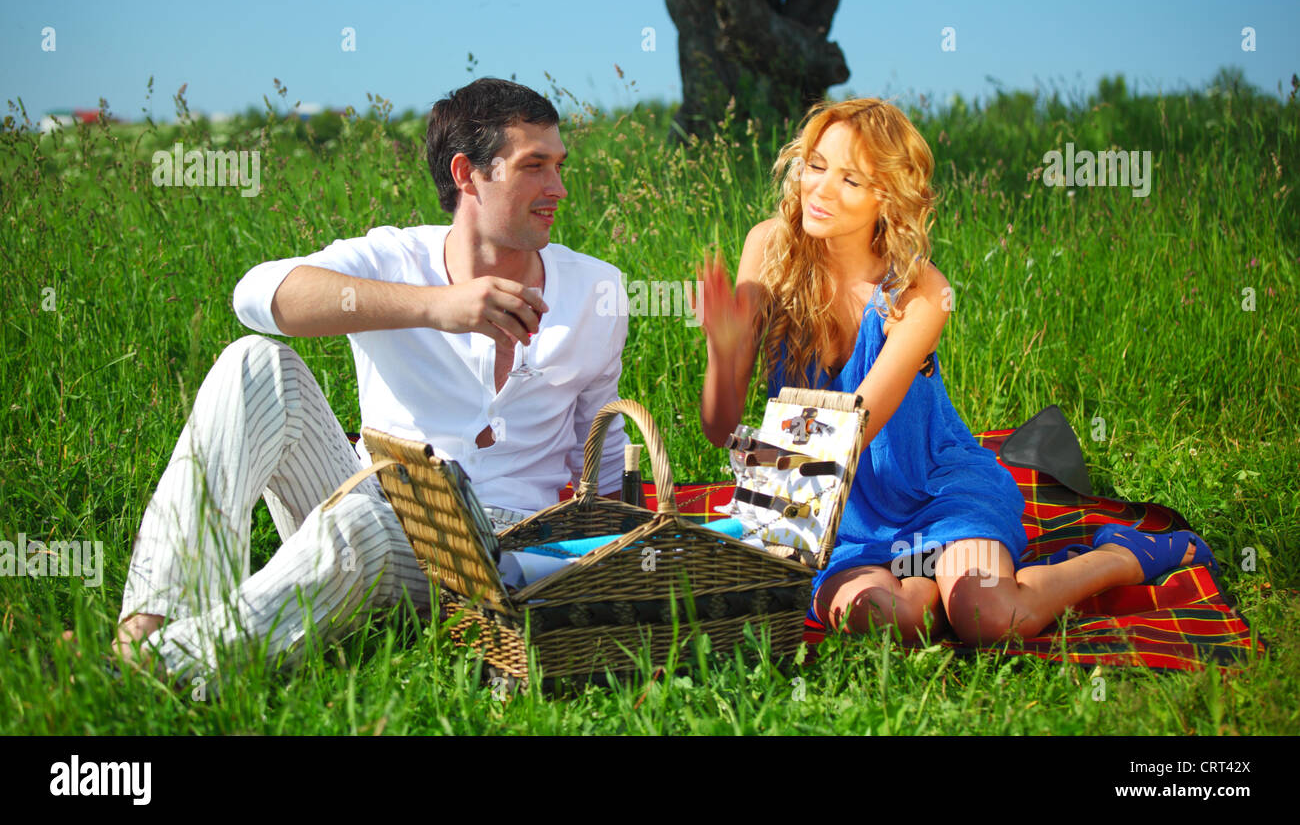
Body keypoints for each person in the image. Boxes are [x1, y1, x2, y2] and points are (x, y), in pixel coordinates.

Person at [112, 77, 628, 680]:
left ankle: (162, 672)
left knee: (365, 526)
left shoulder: (597, 288)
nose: (558, 188)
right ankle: (142, 632)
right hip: (376, 492)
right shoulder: (394, 258)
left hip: (502, 545)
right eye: (534, 166)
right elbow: (255, 296)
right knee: (253, 363)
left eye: (559, 165)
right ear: (467, 174)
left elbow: (604, 453)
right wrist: (439, 307)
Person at [696, 97, 1217, 645]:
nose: (819, 190)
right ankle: (929, 585)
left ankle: (1117, 554)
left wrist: (758, 517)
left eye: (850, 180)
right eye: (816, 165)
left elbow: (858, 427)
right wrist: (722, 350)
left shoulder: (921, 292)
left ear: (887, 198)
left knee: (990, 617)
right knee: (882, 619)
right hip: (832, 512)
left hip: (933, 491)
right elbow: (718, 427)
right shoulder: (769, 248)